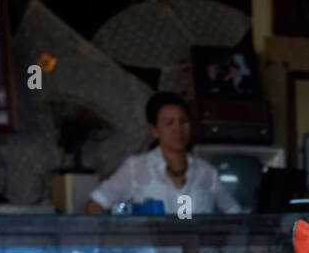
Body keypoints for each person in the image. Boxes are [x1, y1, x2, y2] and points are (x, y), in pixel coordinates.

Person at [86, 92, 242, 215]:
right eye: (169, 123)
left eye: (183, 121)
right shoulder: (136, 168)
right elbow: (95, 205)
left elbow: (233, 212)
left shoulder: (206, 172)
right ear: (154, 130)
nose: (178, 129)